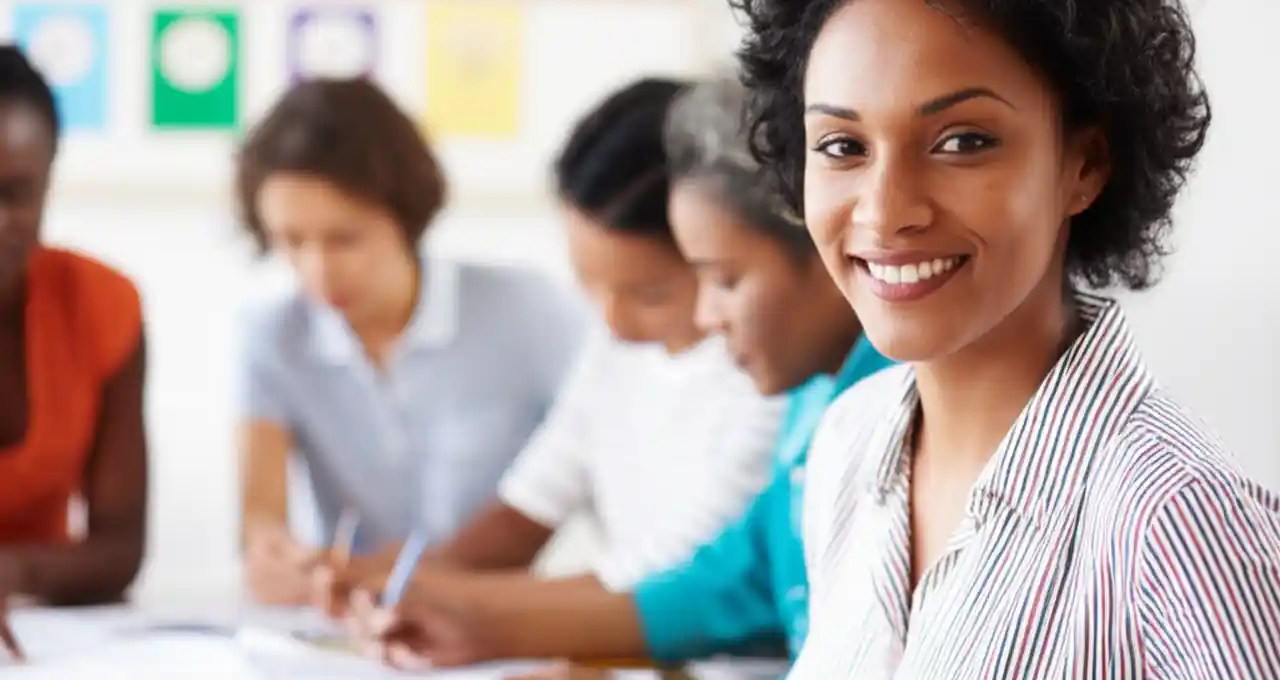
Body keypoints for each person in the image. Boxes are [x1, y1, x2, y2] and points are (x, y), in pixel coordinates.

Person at [728, 0, 1280, 677]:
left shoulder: (1176, 518)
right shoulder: (849, 443)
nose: (887, 211)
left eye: (962, 141)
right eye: (843, 147)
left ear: (1084, 164)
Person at [341, 78, 894, 676]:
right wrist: (471, 616)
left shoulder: (842, 399)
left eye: (723, 280)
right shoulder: (810, 400)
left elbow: (695, 575)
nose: (709, 315)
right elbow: (732, 583)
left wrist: (488, 616)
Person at [318, 78, 785, 614]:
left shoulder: (768, 369)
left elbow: (685, 566)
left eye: (650, 294)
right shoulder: (613, 348)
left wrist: (462, 603)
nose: (611, 321)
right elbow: (536, 493)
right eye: (587, 283)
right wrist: (404, 581)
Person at [235, 78, 585, 605]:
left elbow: (602, 460)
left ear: (405, 214)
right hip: (353, 620)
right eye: (291, 240)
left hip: (500, 619)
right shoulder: (273, 337)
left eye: (344, 238)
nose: (318, 269)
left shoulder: (530, 312)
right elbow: (260, 520)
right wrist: (275, 559)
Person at [0, 46, 147, 656]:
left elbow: (119, 549)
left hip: (43, 639)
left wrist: (15, 573)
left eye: (17, 193)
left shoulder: (101, 304)